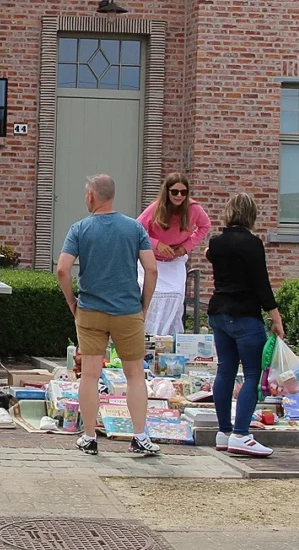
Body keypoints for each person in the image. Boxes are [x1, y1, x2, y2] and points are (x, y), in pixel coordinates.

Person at [55, 173, 160, 457]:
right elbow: (151, 269)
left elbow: (63, 269)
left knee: (89, 375)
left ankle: (89, 437)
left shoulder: (79, 229)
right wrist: (144, 305)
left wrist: (72, 303)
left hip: (90, 310)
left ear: (91, 196)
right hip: (127, 310)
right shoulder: (135, 229)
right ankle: (139, 436)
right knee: (135, 375)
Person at [204, 192, 285, 458]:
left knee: (225, 371)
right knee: (252, 374)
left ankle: (224, 431)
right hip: (244, 314)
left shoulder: (216, 243)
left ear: (228, 212)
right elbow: (261, 283)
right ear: (251, 215)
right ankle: (242, 434)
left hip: (218, 312)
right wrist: (275, 316)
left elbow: (210, 254)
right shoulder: (253, 244)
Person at [136, 172, 211, 335]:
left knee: (176, 293)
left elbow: (205, 226)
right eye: (175, 192)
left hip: (174, 260)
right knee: (150, 294)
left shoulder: (194, 209)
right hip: (153, 259)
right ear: (167, 191)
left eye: (183, 192)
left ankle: (169, 335)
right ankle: (147, 332)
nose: (179, 196)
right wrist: (156, 244)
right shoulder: (156, 208)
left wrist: (186, 246)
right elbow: (137, 228)